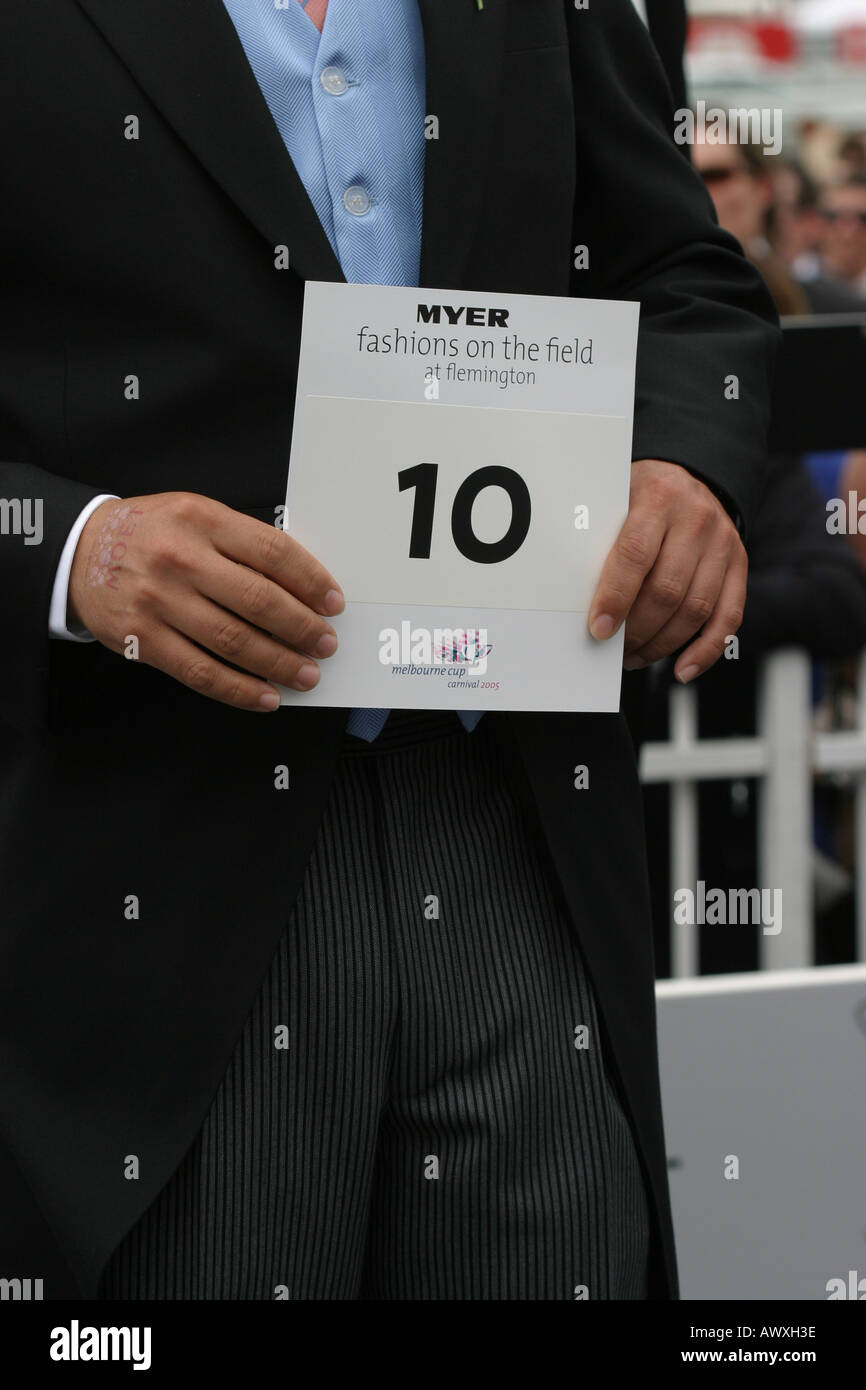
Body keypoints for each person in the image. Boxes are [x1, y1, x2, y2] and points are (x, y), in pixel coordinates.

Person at [0, 0, 778, 1301]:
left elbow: (684, 278)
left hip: (519, 832)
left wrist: (685, 462)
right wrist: (73, 552)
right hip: (143, 861)